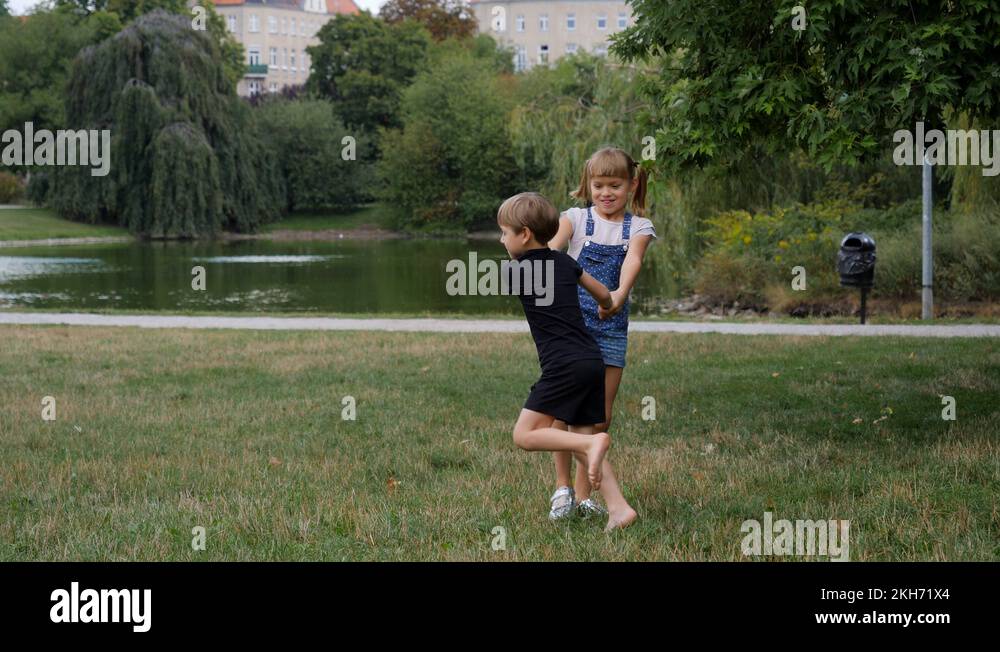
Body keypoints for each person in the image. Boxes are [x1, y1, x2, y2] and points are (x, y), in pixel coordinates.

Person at [498, 191, 638, 532]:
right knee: (578, 439)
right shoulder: (566, 262)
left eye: (505, 233)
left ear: (525, 234)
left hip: (562, 366)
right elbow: (603, 293)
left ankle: (590, 443)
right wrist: (607, 305)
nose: (502, 240)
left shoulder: (515, 272)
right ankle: (619, 508)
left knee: (526, 435)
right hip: (591, 359)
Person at [546, 147, 656, 520]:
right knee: (564, 410)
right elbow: (550, 251)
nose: (606, 192)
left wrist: (618, 296)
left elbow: (633, 262)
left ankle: (584, 496)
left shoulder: (639, 227)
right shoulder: (575, 219)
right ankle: (562, 491)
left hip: (611, 329)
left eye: (615, 185)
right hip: (572, 333)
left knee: (599, 417)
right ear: (587, 185)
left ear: (632, 184)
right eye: (598, 185)